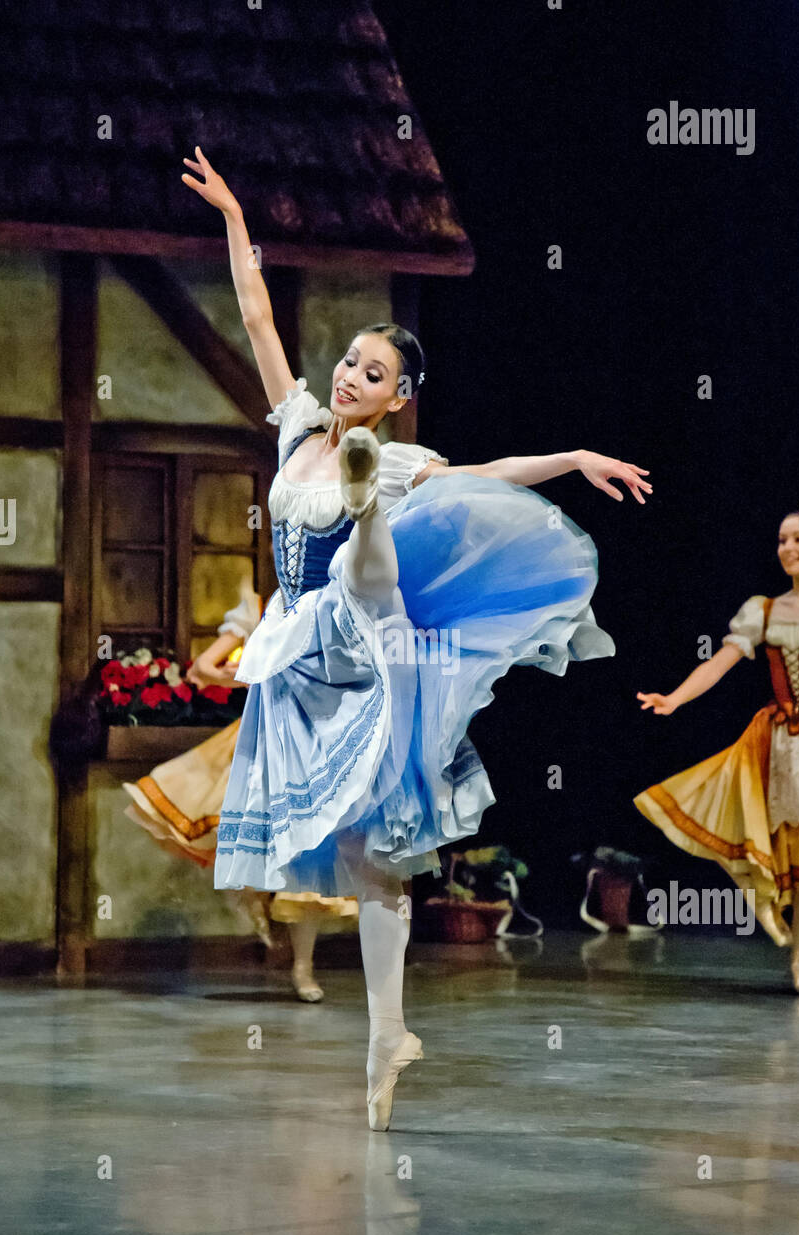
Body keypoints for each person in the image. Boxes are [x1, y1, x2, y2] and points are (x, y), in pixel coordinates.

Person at [182, 145, 650, 1129]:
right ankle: (388, 1028)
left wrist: (572, 457)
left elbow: (489, 472)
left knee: (376, 841)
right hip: (294, 655)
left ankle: (388, 1028)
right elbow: (257, 312)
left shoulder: (393, 458)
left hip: (352, 647)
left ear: (397, 395)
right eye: (351, 360)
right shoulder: (297, 427)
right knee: (355, 861)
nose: (351, 375)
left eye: (374, 371)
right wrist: (232, 217)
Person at [122, 580, 359, 1003]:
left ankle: (302, 965)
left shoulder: (329, 603)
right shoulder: (262, 606)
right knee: (247, 833)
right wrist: (250, 677)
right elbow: (203, 669)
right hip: (262, 737)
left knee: (303, 856)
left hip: (310, 741)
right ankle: (256, 907)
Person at [635, 511, 799, 997]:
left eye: (798, 539)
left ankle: (797, 960)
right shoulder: (764, 611)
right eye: (781, 539)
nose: (787, 547)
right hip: (775, 741)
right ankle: (763, 896)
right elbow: (720, 662)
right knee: (731, 817)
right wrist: (675, 698)